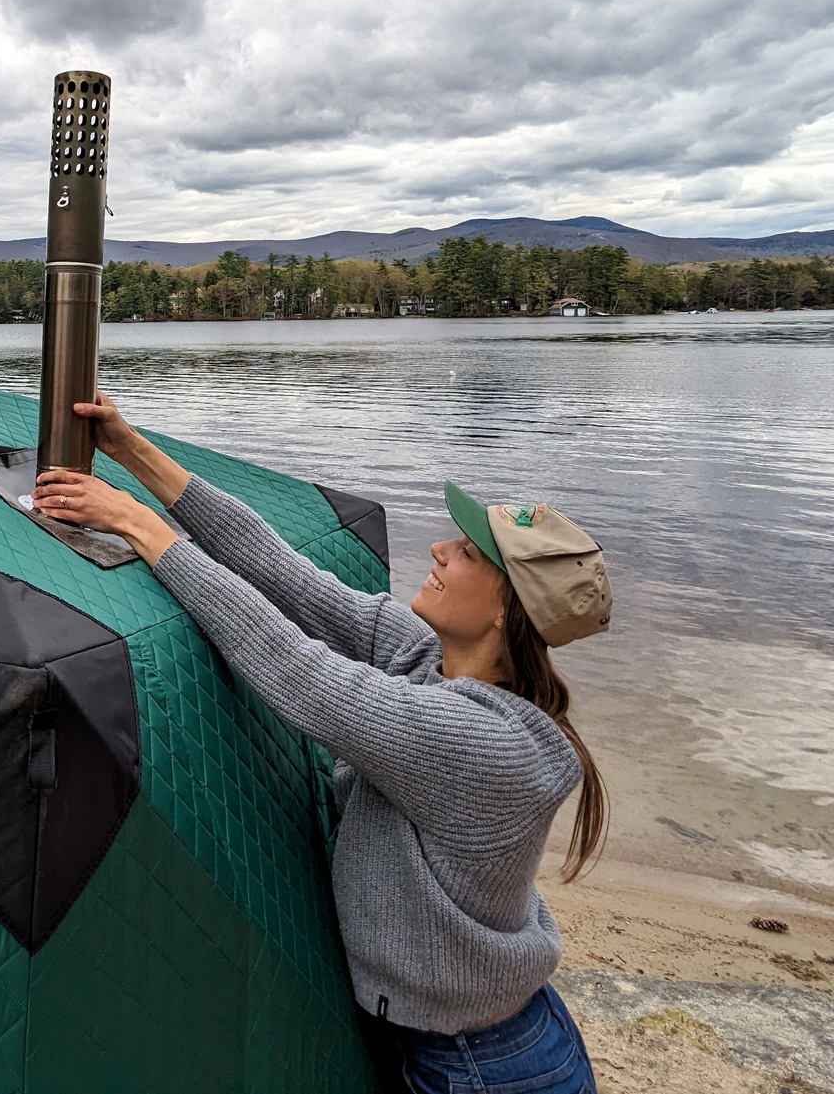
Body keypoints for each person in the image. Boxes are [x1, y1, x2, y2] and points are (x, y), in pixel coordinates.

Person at [32, 394, 613, 1094]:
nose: (438, 548)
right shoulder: (429, 658)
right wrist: (133, 453)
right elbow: (284, 575)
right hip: (459, 1038)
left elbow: (298, 671)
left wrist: (136, 525)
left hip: (482, 1067)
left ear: (503, 607)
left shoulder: (480, 742)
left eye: (463, 552)